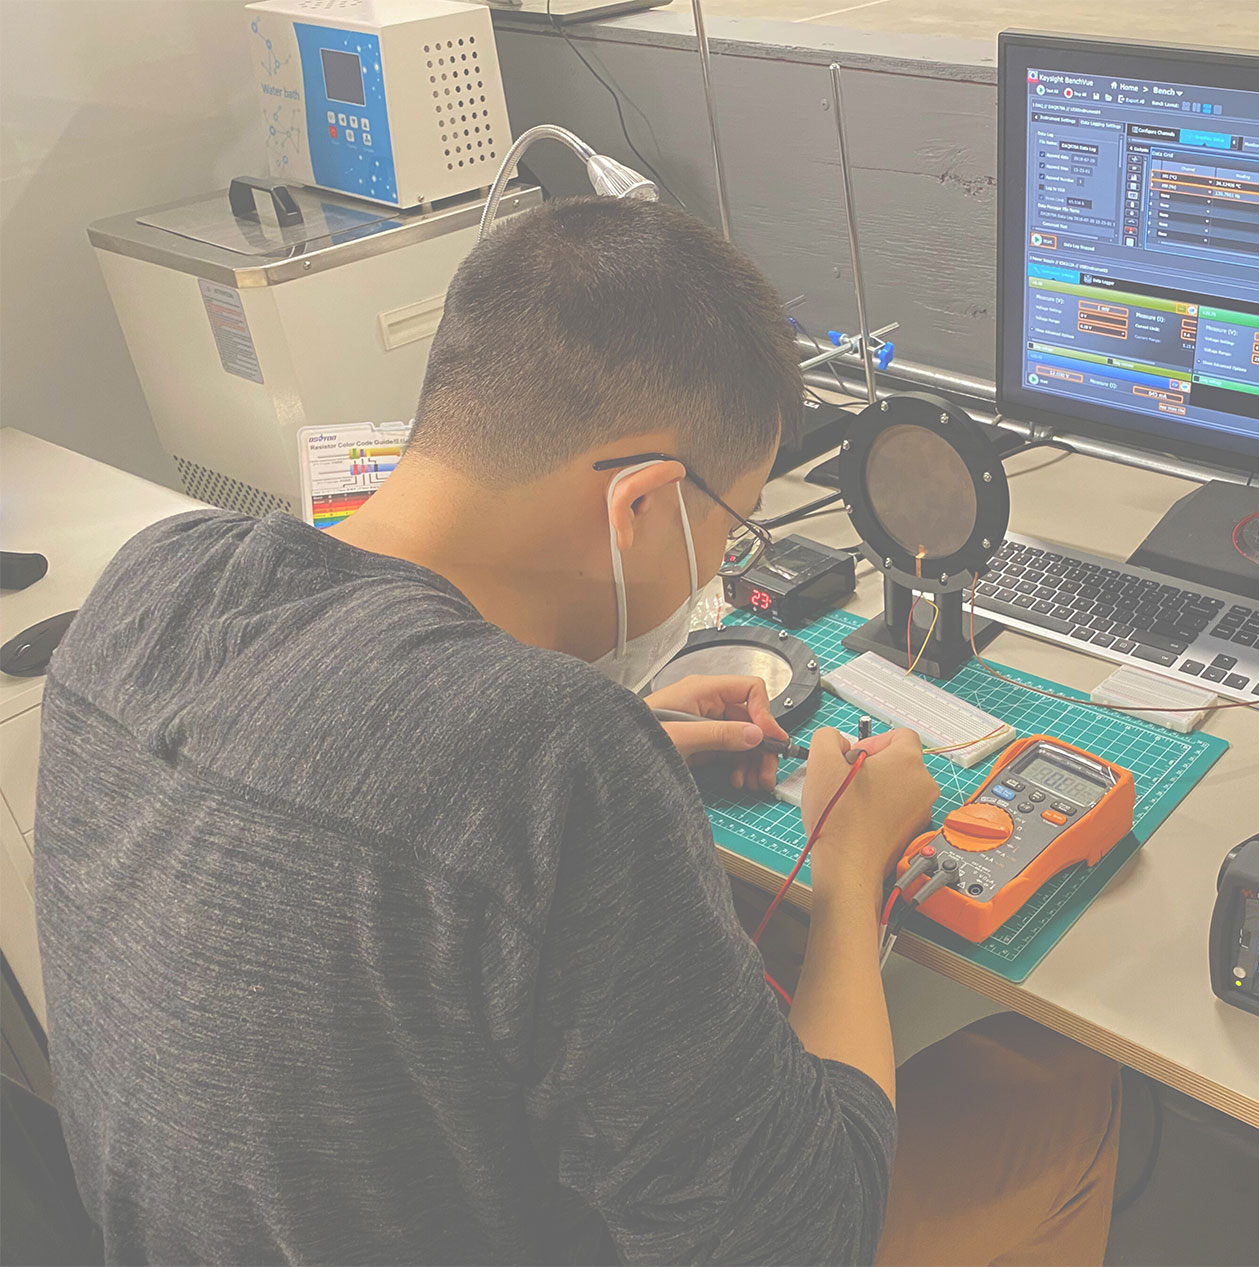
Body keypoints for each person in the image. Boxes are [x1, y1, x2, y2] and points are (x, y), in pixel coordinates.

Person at [35, 194, 1119, 1265]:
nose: (721, 564)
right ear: (640, 505)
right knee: (1061, 1086)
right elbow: (810, 1236)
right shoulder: (555, 753)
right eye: (729, 527)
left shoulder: (152, 583)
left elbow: (348, 768)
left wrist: (627, 736)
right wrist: (850, 870)